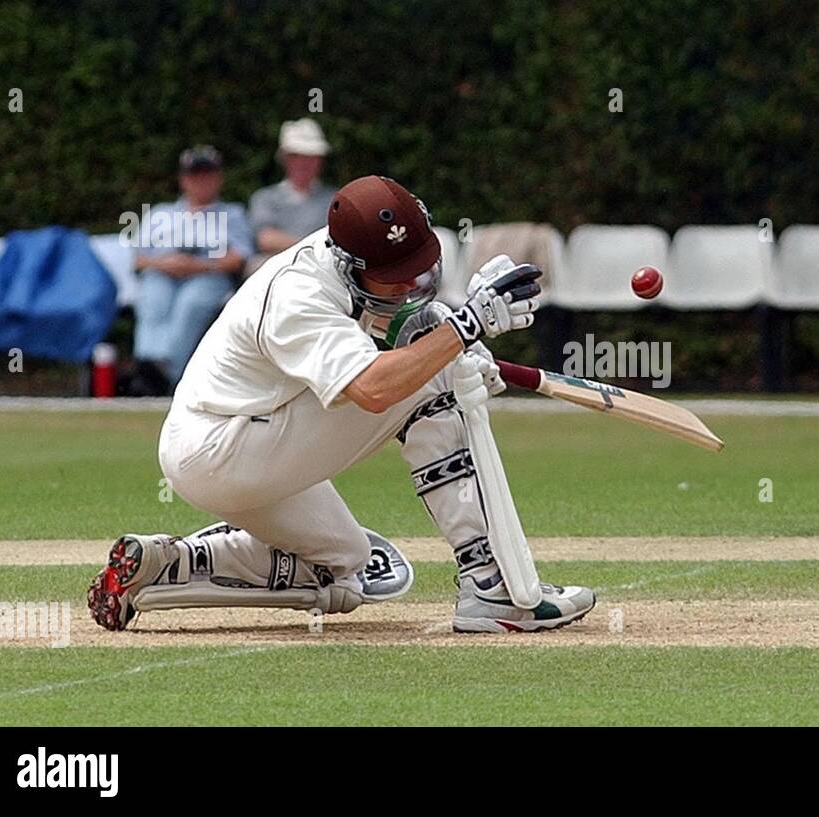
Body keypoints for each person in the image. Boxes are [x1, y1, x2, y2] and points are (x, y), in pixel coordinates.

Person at [88, 175, 596, 634]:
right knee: (431, 379)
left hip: (249, 441)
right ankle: (492, 584)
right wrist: (461, 333)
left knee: (346, 567)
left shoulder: (352, 262)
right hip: (221, 445)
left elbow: (396, 328)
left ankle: (166, 567)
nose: (408, 283)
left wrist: (448, 337)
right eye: (394, 274)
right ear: (352, 268)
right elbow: (374, 389)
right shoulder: (297, 294)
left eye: (416, 267)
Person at [125, 146, 253, 395]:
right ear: (183, 179)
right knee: (153, 298)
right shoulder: (161, 213)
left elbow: (239, 257)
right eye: (195, 175)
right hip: (162, 273)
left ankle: (168, 371)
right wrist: (165, 264)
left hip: (209, 275)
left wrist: (200, 266)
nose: (201, 181)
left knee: (191, 303)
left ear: (219, 178)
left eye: (207, 174)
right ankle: (146, 363)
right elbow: (138, 260)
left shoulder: (232, 213)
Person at [244, 118, 336, 277]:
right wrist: (315, 248)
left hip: (324, 269)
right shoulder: (265, 198)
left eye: (310, 157)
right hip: (278, 268)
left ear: (320, 161)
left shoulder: (335, 199)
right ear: (285, 159)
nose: (303, 163)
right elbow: (266, 239)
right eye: (296, 156)